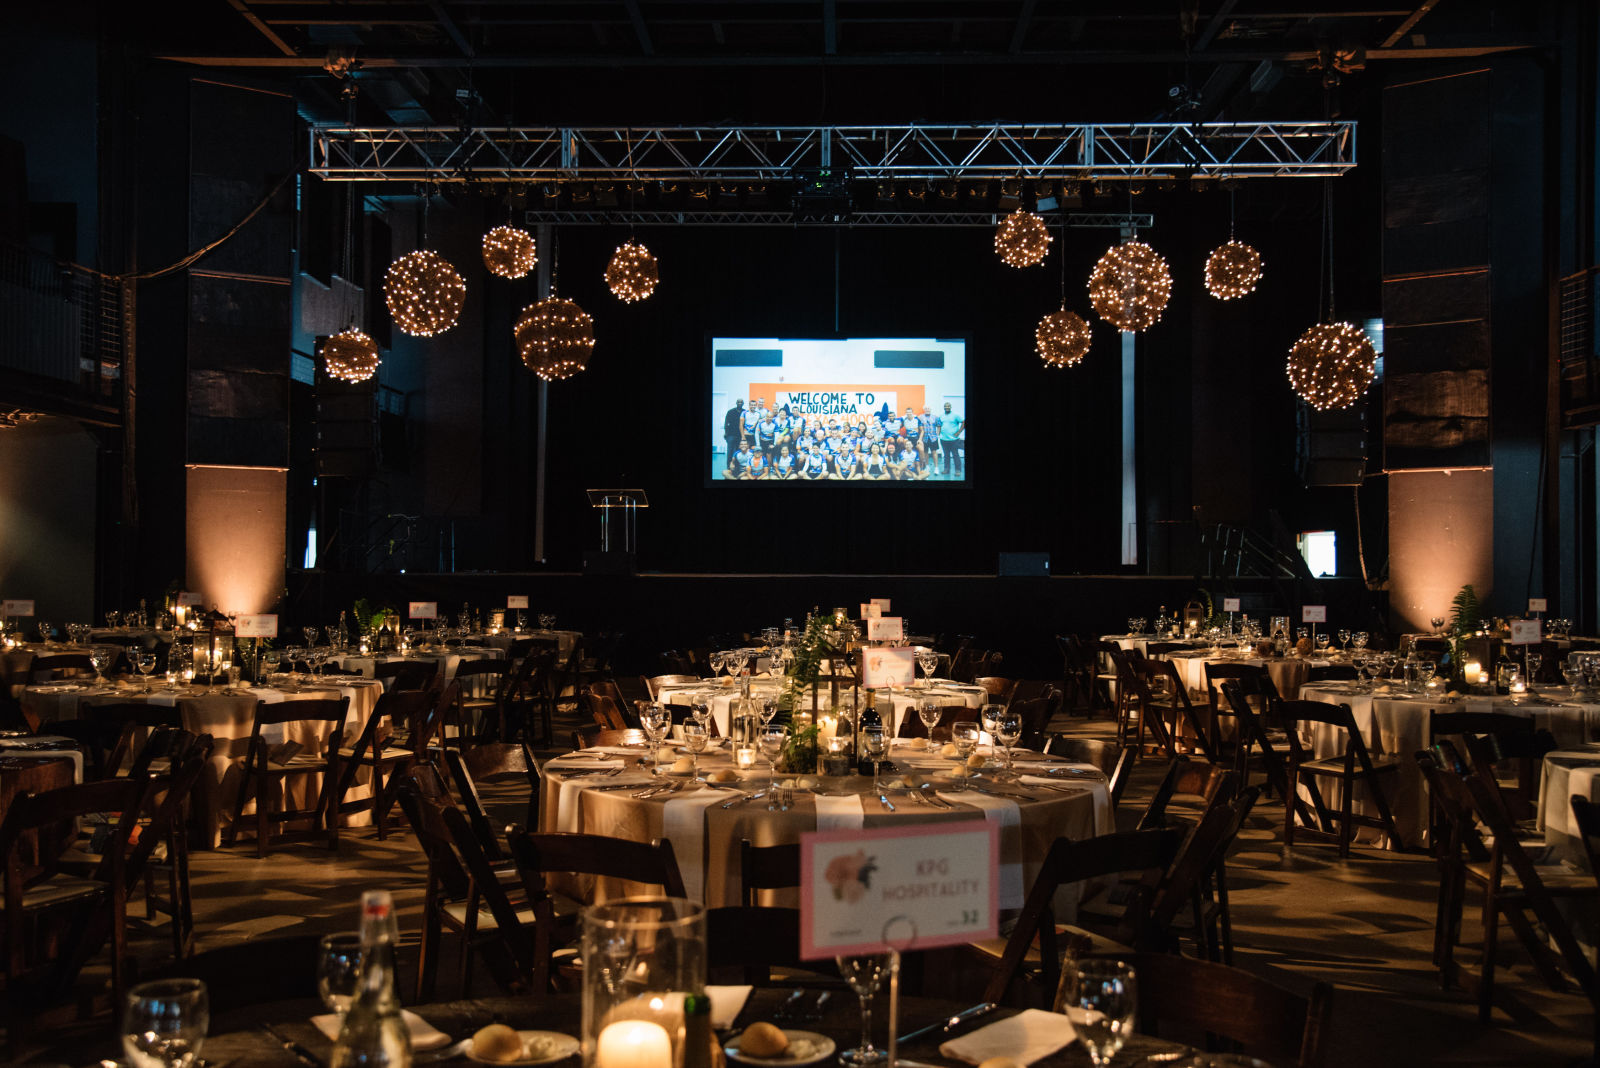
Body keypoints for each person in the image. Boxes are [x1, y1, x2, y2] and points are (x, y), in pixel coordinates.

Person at [937, 401, 965, 476]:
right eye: (945, 406)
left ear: (951, 407)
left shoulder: (955, 415)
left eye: (948, 406)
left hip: (954, 440)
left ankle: (958, 470)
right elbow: (939, 426)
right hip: (944, 439)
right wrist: (938, 435)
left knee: (955, 455)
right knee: (946, 455)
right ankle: (946, 469)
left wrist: (959, 432)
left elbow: (963, 422)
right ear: (944, 407)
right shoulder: (941, 416)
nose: (947, 407)